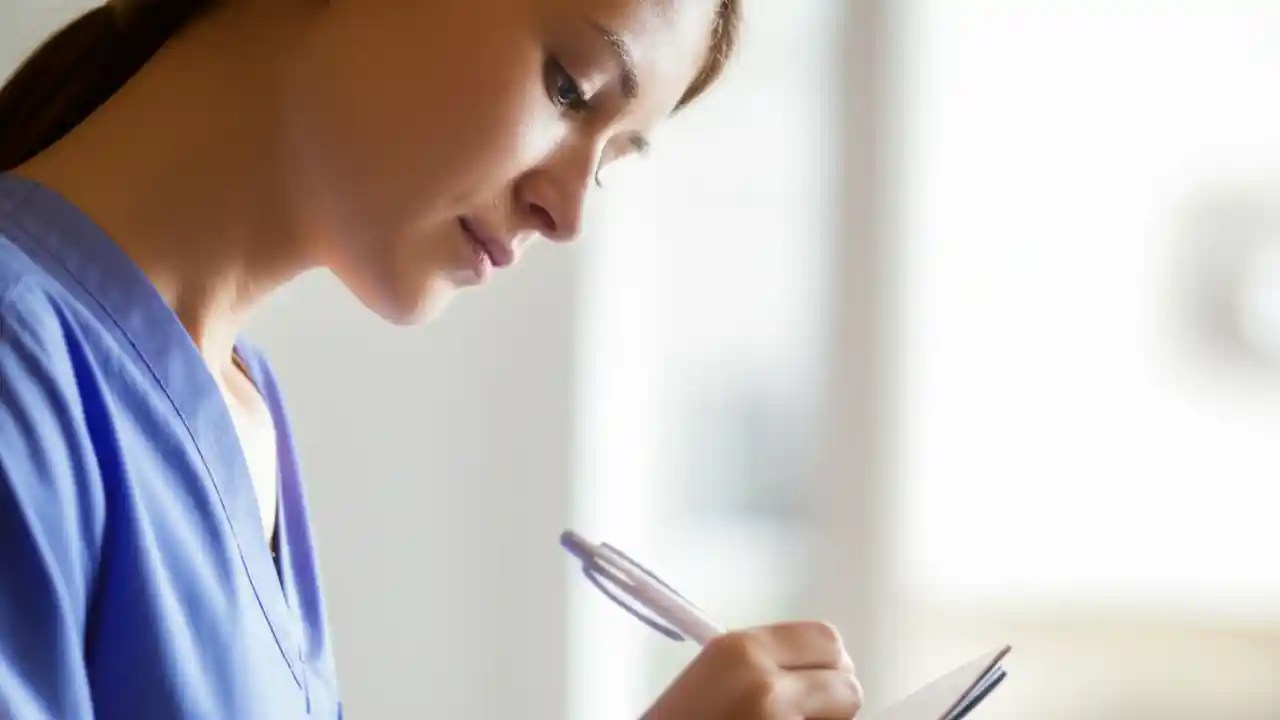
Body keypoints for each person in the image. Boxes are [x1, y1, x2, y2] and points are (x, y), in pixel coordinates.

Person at [0, 1, 864, 718]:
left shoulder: (245, 414)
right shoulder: (23, 370)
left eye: (609, 161)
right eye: (569, 87)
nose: (567, 214)